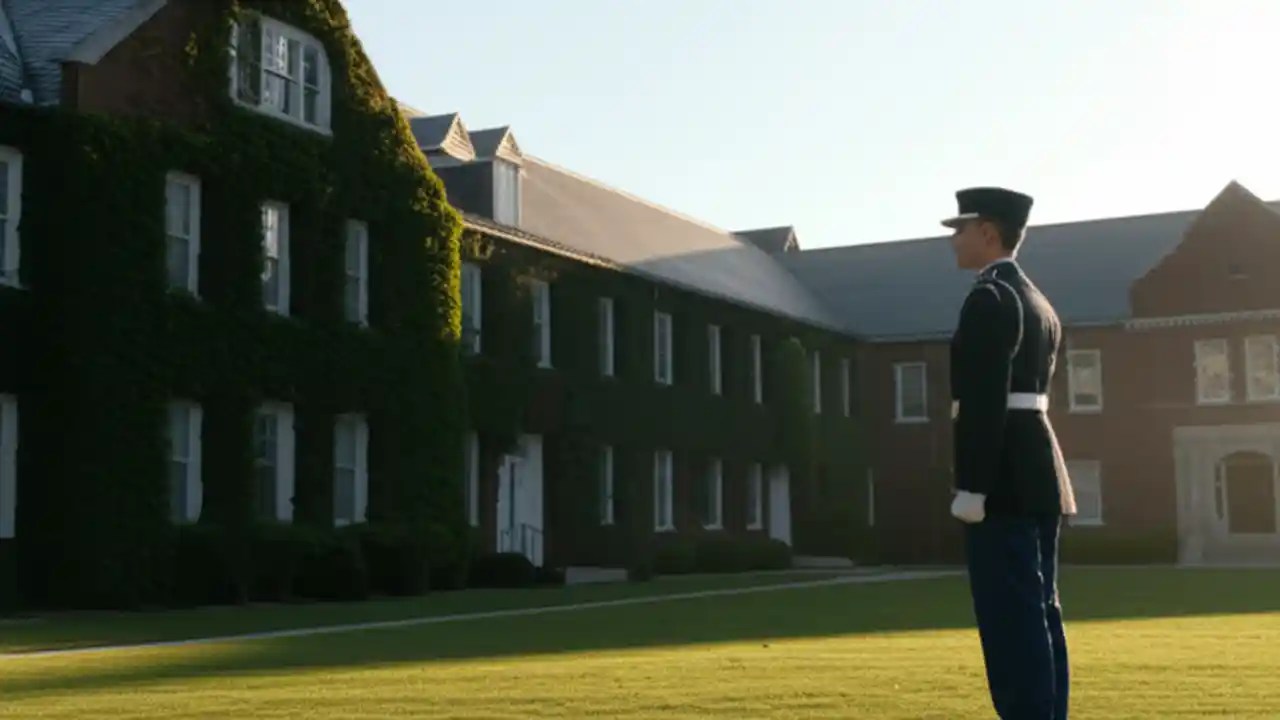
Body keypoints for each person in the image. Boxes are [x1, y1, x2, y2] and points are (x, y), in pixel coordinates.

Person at [942, 186, 1078, 720]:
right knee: (1042, 613)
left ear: (988, 233)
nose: (954, 240)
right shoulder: (1038, 301)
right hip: (1040, 470)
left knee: (1009, 618)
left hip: (1002, 479)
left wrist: (972, 486)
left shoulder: (989, 298)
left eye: (960, 228)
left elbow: (982, 400)